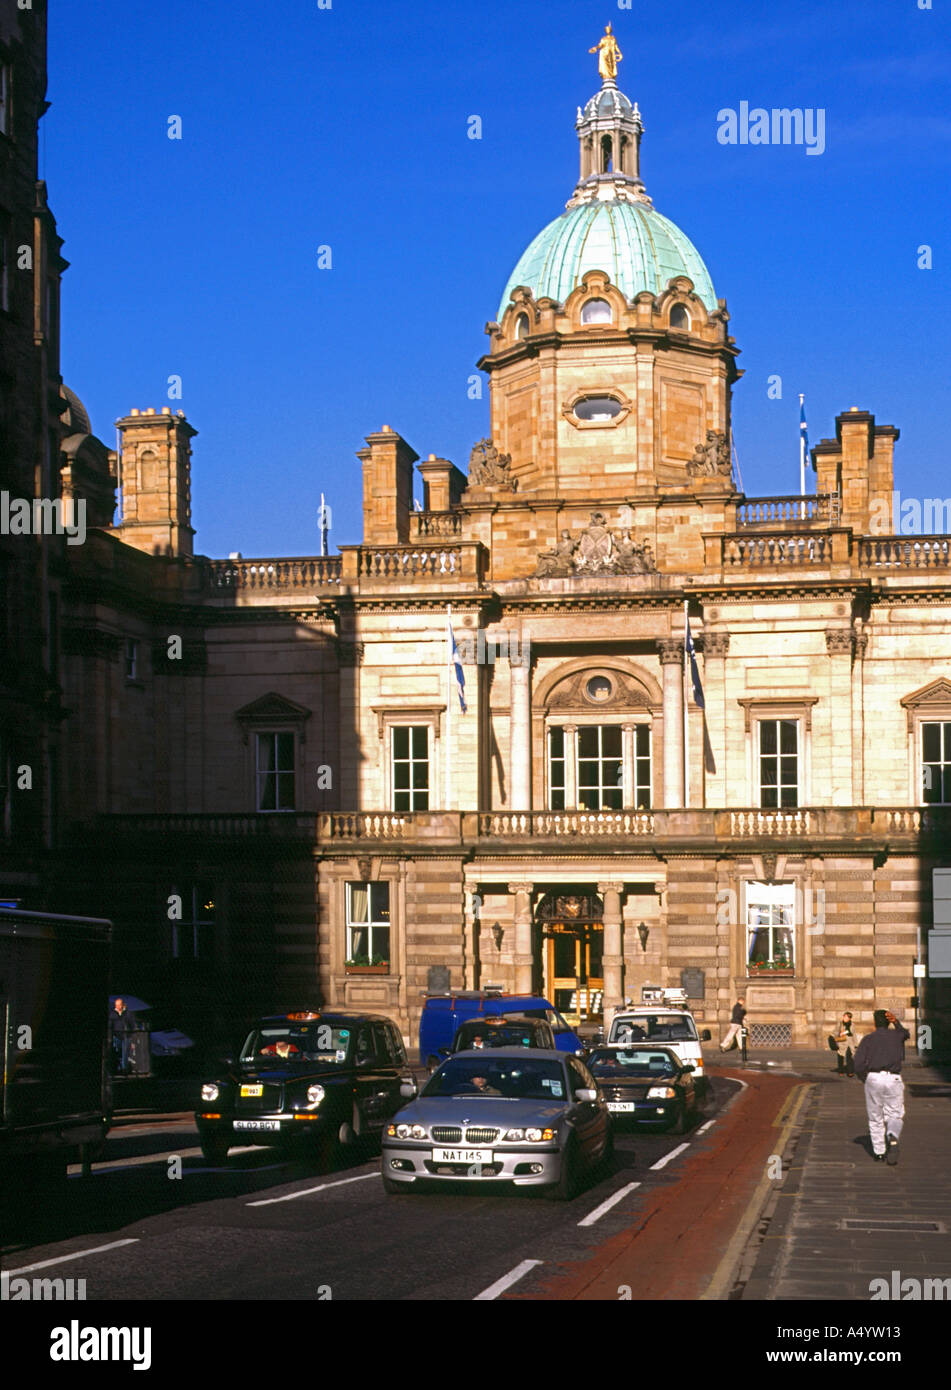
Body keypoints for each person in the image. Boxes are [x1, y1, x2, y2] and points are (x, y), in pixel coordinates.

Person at [853, 1009, 909, 1164]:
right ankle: (892, 1135)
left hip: (874, 1077)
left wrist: (866, 1078)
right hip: (893, 1078)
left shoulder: (868, 1039)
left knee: (875, 1116)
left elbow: (857, 1064)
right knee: (895, 1113)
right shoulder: (897, 1036)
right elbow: (906, 1034)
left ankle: (879, 1152)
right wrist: (896, 1022)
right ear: (888, 1021)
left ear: (874, 1023)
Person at [110, 997, 132, 1075]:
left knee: (124, 1053)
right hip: (116, 1036)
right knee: (116, 1051)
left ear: (122, 1005)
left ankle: (124, 1069)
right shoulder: (113, 1013)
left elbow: (131, 1024)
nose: (117, 1007)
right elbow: (110, 1024)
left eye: (118, 1005)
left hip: (125, 1036)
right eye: (116, 1005)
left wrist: (130, 1034)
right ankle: (116, 1068)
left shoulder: (127, 1013)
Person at [832, 1010, 858, 1076]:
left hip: (850, 1043)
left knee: (850, 1057)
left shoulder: (852, 1024)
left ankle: (850, 1072)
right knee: (840, 1057)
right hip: (841, 1043)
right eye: (844, 1016)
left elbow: (854, 1034)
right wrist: (839, 1034)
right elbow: (835, 1032)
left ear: (849, 1018)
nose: (845, 1018)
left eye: (846, 1017)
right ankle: (841, 1070)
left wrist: (856, 1044)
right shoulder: (840, 1023)